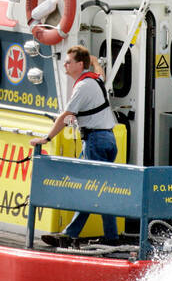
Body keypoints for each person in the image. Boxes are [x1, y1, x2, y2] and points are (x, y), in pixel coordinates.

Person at [30, 44, 120, 248]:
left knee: (88, 189)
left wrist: (47, 138)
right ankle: (111, 236)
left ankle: (69, 234)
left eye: (69, 61)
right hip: (107, 139)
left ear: (80, 65)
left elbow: (65, 117)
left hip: (95, 142)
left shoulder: (82, 87)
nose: (65, 64)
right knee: (100, 189)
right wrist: (95, 61)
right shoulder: (95, 79)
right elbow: (100, 72)